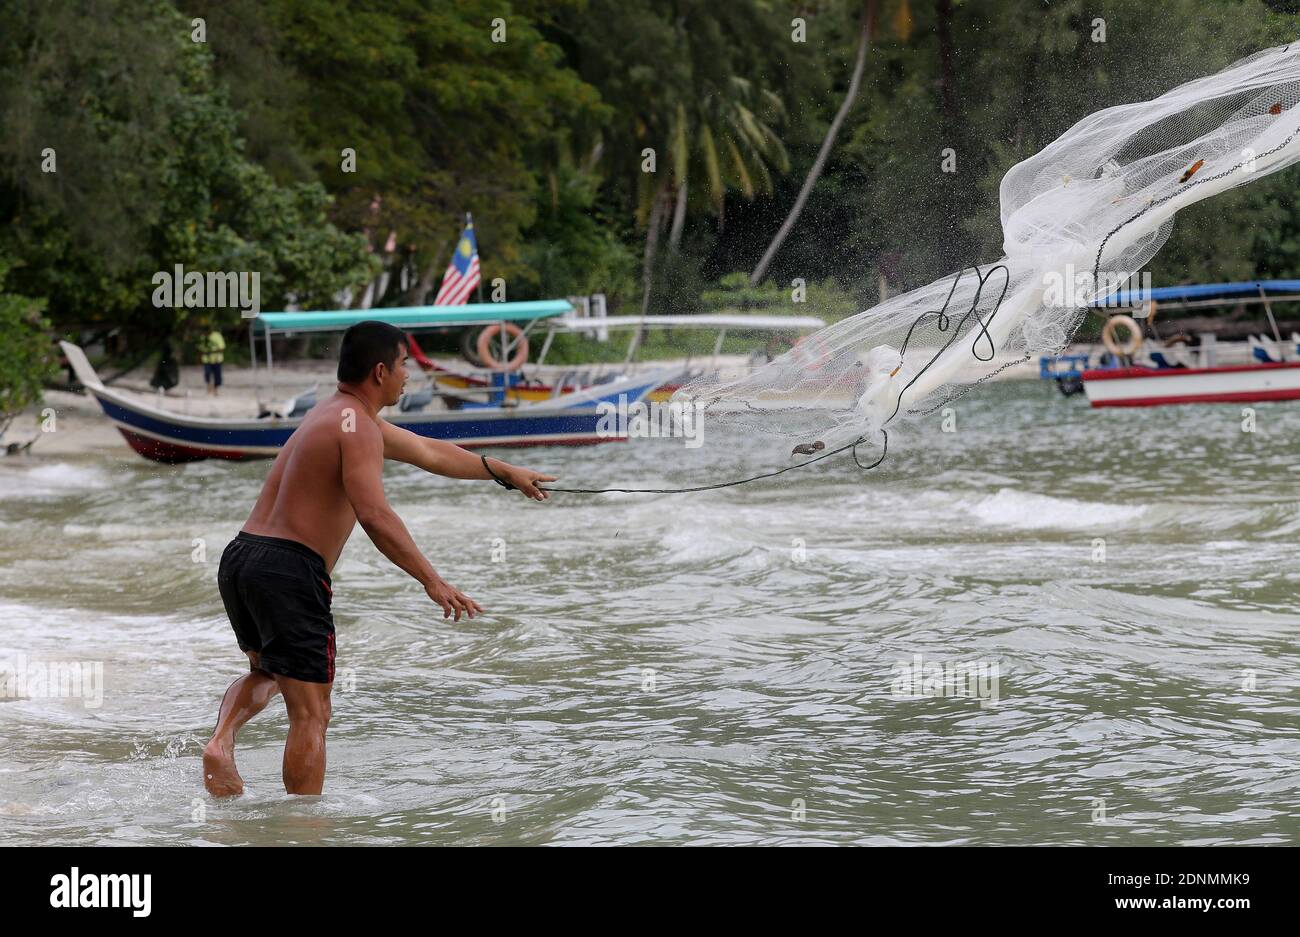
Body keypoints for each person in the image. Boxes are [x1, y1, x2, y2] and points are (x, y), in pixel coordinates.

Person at [203, 321, 556, 797]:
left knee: (267, 672)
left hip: (243, 558)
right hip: (290, 569)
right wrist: (432, 580)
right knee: (312, 713)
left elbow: (431, 452)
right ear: (381, 371)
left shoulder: (336, 415)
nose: (409, 374)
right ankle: (304, 833)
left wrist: (503, 470)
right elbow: (374, 514)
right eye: (406, 364)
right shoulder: (360, 430)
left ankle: (222, 741)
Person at [197, 323, 226, 395]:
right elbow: (200, 349)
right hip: (206, 359)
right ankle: (209, 387)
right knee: (207, 373)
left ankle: (216, 389)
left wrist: (211, 352)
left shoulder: (217, 335)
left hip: (217, 359)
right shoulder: (202, 337)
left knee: (217, 375)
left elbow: (222, 347)